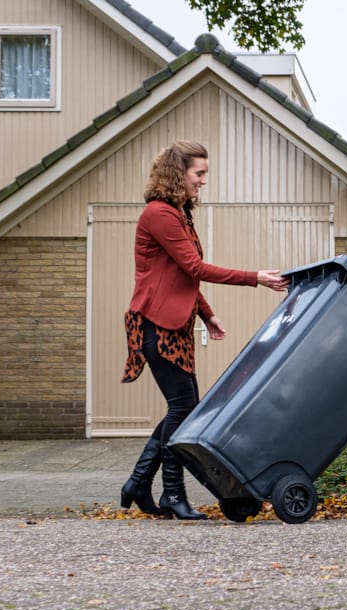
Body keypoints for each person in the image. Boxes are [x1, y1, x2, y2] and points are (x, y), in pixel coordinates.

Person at [119, 141, 288, 520]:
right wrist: (254, 278)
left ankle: (141, 482)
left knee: (184, 409)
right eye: (200, 174)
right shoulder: (159, 214)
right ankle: (170, 494)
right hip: (155, 324)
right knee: (184, 409)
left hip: (174, 324)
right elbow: (195, 267)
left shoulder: (178, 213)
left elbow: (180, 275)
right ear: (178, 174)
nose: (204, 181)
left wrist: (207, 314)